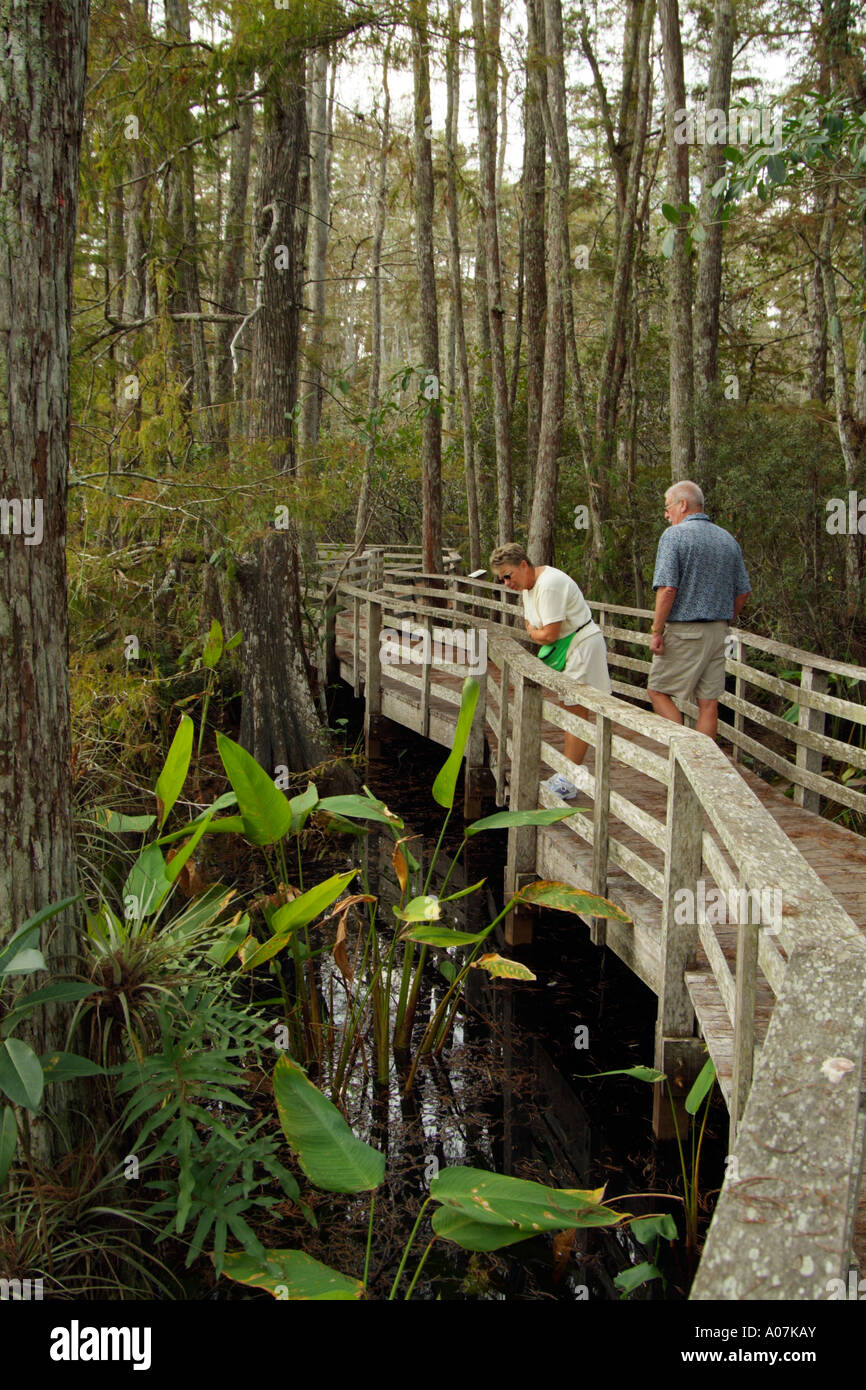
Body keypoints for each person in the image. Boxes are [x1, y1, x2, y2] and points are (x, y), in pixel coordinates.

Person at [489, 543, 612, 799]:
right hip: (569, 648)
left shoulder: (549, 584)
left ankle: (569, 778)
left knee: (577, 711)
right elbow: (532, 627)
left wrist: (537, 633)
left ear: (524, 564)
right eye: (501, 580)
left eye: (508, 575)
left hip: (582, 647)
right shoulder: (527, 587)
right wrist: (537, 633)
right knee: (570, 709)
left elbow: (547, 633)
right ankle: (569, 773)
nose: (506, 583)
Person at [647, 481, 751, 739]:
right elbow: (743, 592)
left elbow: (668, 590)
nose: (666, 514)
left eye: (667, 506)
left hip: (685, 630)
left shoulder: (674, 536)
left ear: (683, 504)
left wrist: (656, 630)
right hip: (720, 633)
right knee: (708, 703)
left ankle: (684, 759)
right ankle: (702, 765)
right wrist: (725, 620)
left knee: (657, 691)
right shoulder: (727, 539)